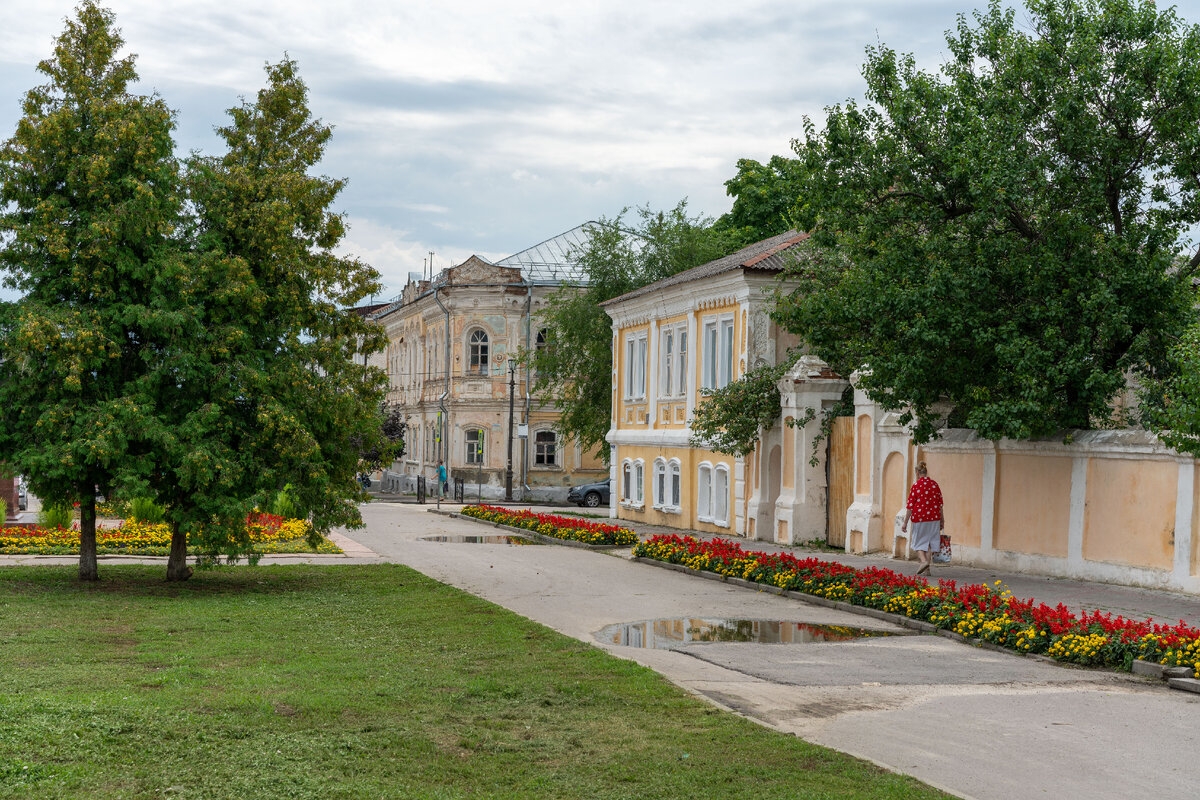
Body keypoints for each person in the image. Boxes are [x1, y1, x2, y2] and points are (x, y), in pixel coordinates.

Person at [900, 461, 943, 576]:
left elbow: (910, 507)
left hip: (920, 519)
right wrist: (942, 520)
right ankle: (927, 570)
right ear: (926, 472)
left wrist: (905, 523)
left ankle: (924, 562)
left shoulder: (916, 486)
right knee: (929, 543)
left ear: (917, 472)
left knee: (919, 543)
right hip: (934, 518)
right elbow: (940, 505)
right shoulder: (935, 485)